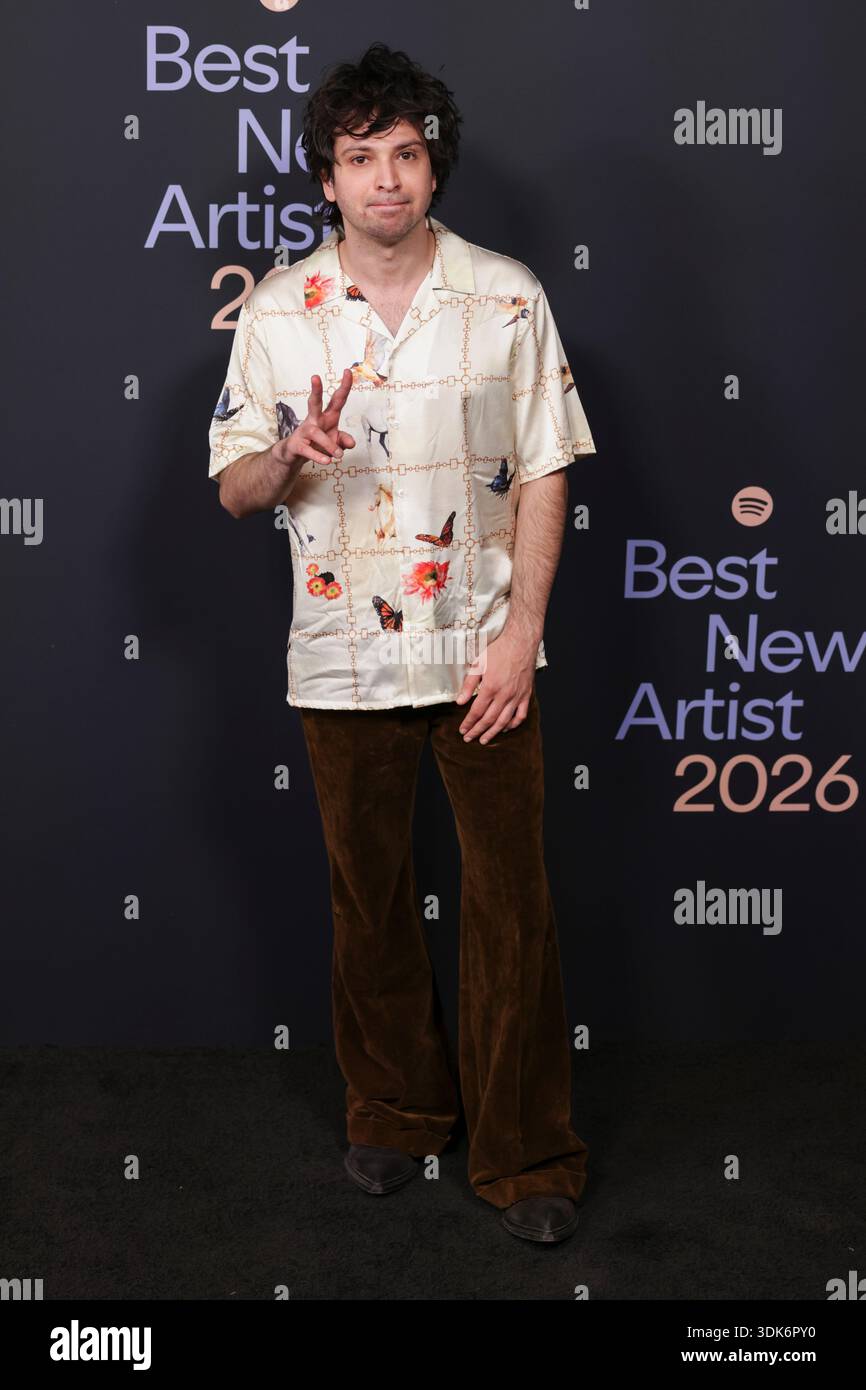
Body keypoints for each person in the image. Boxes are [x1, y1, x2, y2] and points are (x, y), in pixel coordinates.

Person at [208, 42, 597, 1245]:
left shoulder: (507, 292)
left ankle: (526, 1153)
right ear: (326, 178)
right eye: (360, 157)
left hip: (483, 650)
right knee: (366, 897)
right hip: (340, 652)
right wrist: (286, 458)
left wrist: (521, 628)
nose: (386, 178)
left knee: (510, 904)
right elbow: (232, 488)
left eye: (406, 154)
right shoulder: (278, 310)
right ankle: (392, 1110)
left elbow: (544, 466)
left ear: (434, 167)